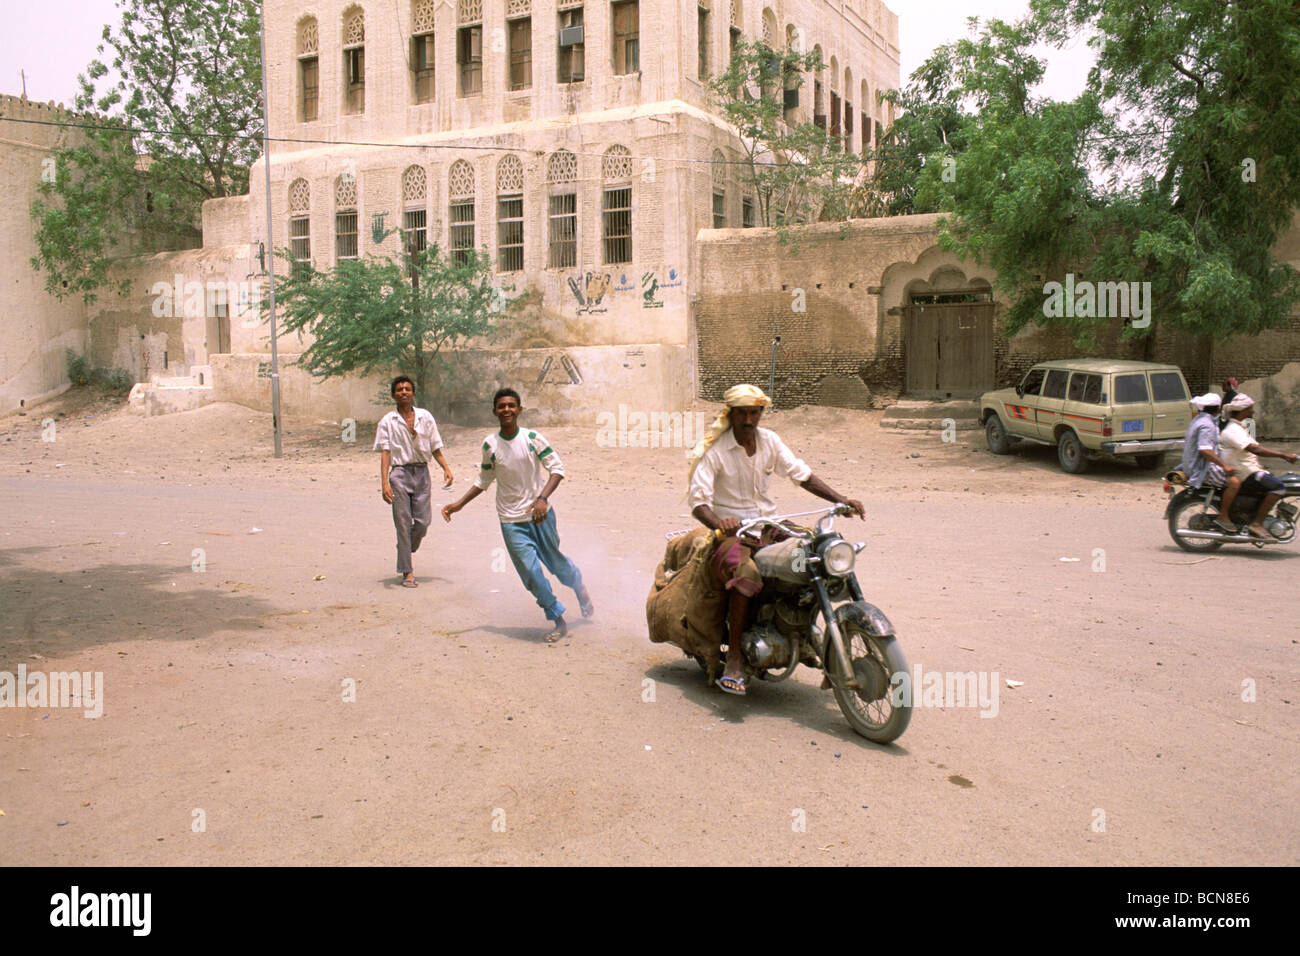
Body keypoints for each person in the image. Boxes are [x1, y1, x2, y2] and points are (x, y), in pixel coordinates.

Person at [687, 384, 864, 695]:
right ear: (731, 414)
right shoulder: (716, 450)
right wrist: (719, 523)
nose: (749, 419)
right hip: (734, 533)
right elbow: (698, 500)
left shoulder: (770, 441)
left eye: (754, 412)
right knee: (747, 573)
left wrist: (842, 499)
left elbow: (802, 475)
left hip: (768, 525)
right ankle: (737, 660)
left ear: (761, 414)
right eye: (742, 412)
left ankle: (805, 632)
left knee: (819, 551)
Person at [441, 387, 593, 642]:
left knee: (555, 564)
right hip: (510, 520)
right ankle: (557, 618)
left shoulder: (533, 438)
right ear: (495, 412)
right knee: (531, 573)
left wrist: (542, 499)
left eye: (512, 405)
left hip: (540, 516)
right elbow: (484, 479)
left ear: (520, 410)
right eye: (502, 406)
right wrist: (459, 504)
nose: (507, 410)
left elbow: (557, 469)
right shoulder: (490, 444)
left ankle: (579, 587)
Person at [375, 375, 454, 587]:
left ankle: (406, 547)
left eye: (407, 389)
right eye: (399, 389)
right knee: (402, 523)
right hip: (399, 474)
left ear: (413, 393)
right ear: (393, 395)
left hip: (422, 473)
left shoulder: (425, 417)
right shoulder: (387, 422)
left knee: (423, 522)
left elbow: (435, 445)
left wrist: (445, 467)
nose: (403, 392)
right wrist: (384, 483)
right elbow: (385, 452)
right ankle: (407, 571)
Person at [1217, 393, 1299, 539]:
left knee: (1278, 480)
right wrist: (1283, 455)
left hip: (1250, 469)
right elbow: (1255, 449)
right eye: (1250, 409)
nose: (1253, 411)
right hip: (1243, 472)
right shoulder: (1232, 430)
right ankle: (1257, 524)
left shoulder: (1240, 428)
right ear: (1243, 410)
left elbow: (1257, 446)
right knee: (1278, 487)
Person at [1176, 393, 1240, 531]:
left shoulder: (1198, 420)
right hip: (1202, 469)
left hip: (1192, 465)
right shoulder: (1207, 425)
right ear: (1218, 409)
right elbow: (1205, 450)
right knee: (1235, 482)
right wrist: (1225, 465)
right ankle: (1223, 516)